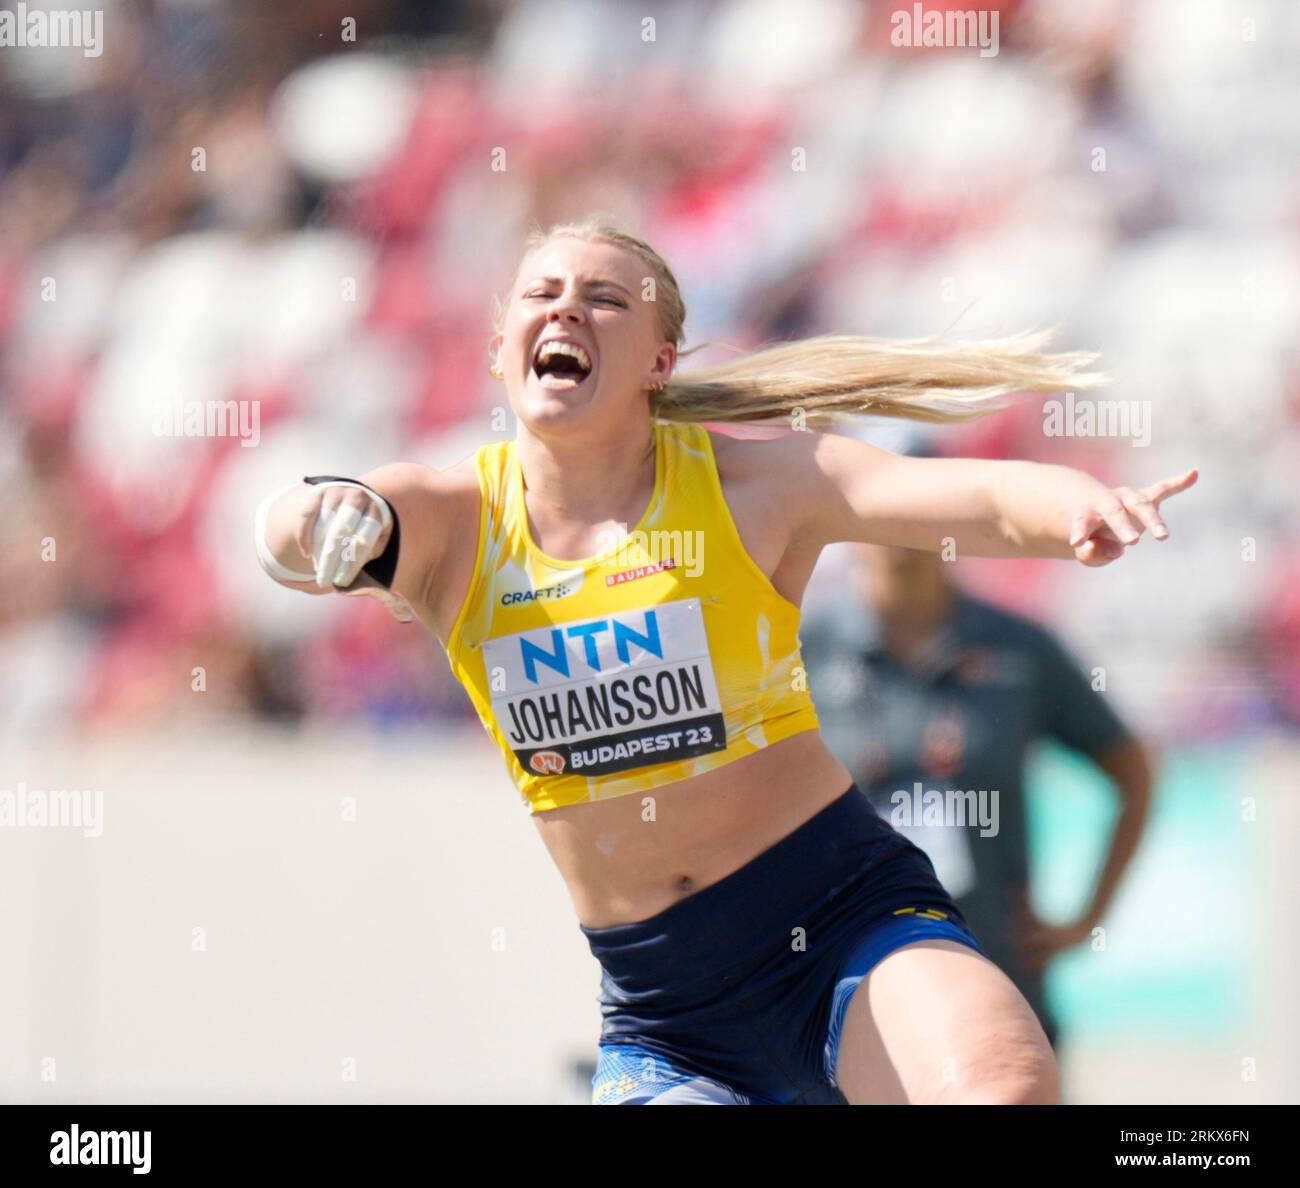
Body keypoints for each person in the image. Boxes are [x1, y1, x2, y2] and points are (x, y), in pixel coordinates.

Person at [252, 217, 1197, 1105]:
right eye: (543, 292)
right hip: (671, 1015)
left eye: (606, 299)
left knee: (1004, 1082)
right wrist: (320, 516)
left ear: (659, 361)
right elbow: (298, 532)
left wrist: (1077, 503)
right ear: (502, 346)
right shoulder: (453, 520)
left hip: (847, 925)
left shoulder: (751, 486)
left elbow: (967, 498)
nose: (568, 309)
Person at [801, 517, 1155, 1054]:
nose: (900, 531)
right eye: (881, 511)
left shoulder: (1019, 646)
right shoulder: (803, 647)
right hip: (846, 995)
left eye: (917, 511)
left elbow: (1132, 771)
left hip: (998, 978)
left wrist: (1087, 919)